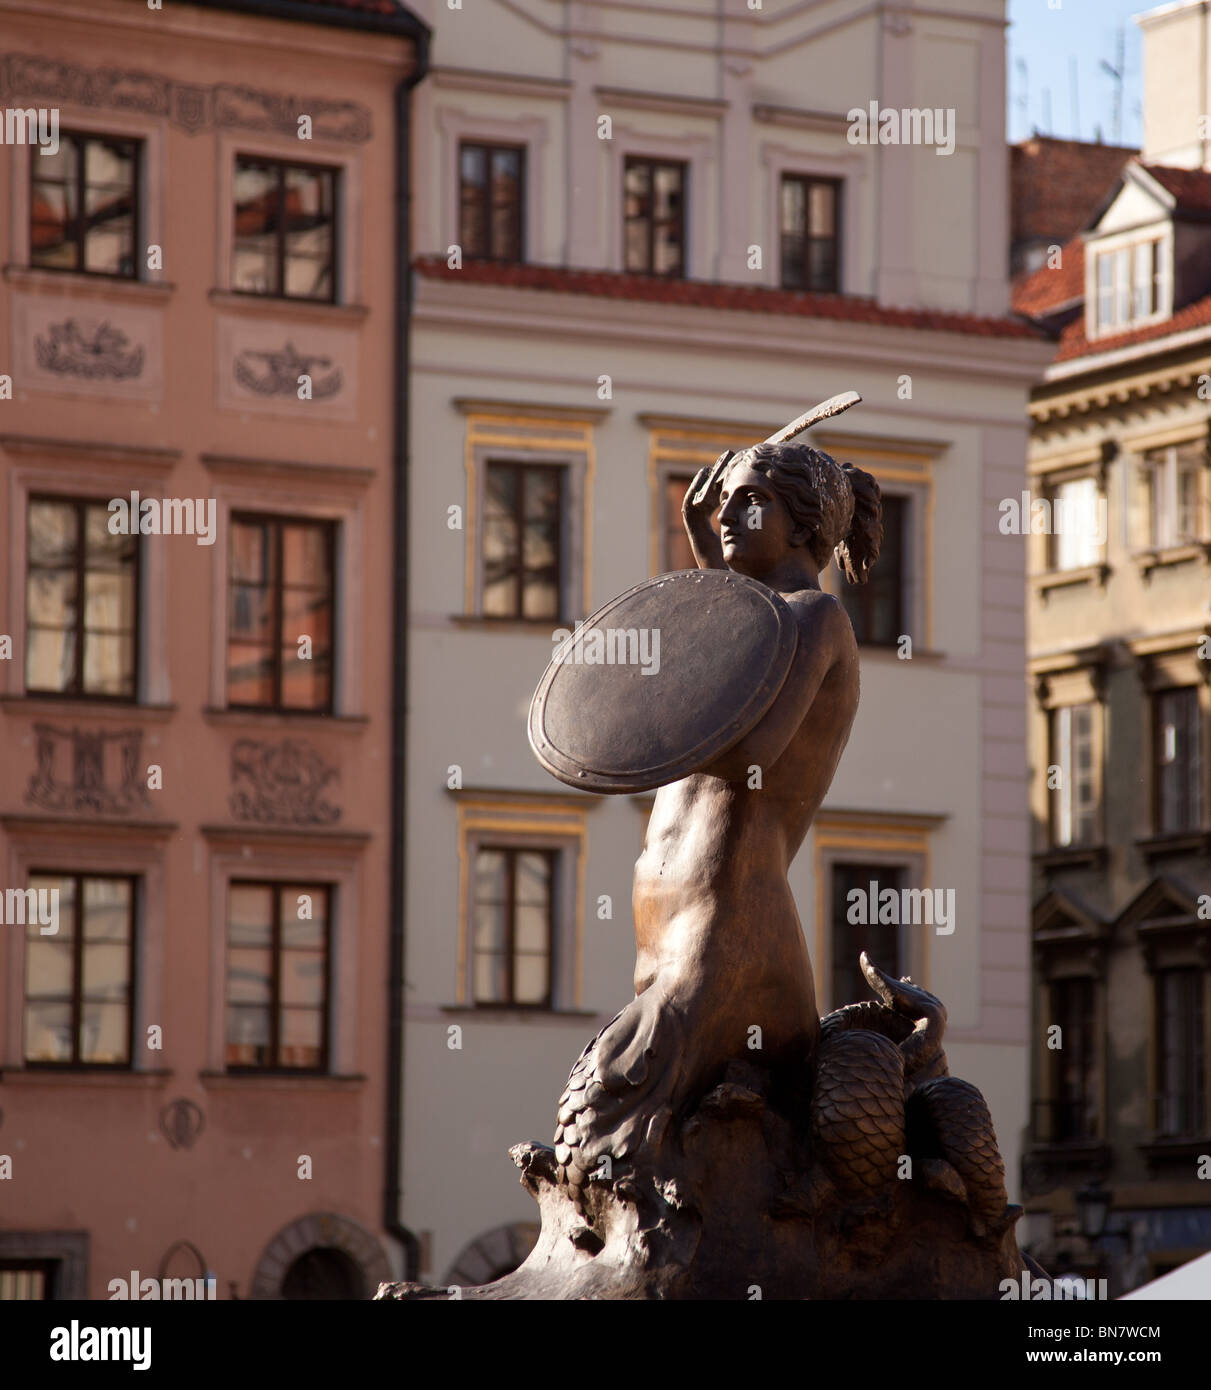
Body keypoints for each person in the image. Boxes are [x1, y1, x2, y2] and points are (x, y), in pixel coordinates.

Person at [553, 441, 883, 1215]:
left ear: (803, 524)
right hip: (670, 924)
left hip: (729, 921)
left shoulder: (813, 617)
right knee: (631, 1149)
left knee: (617, 1139)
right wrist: (711, 589)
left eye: (750, 499)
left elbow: (749, 752)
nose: (726, 513)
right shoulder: (759, 618)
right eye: (724, 500)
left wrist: (706, 606)